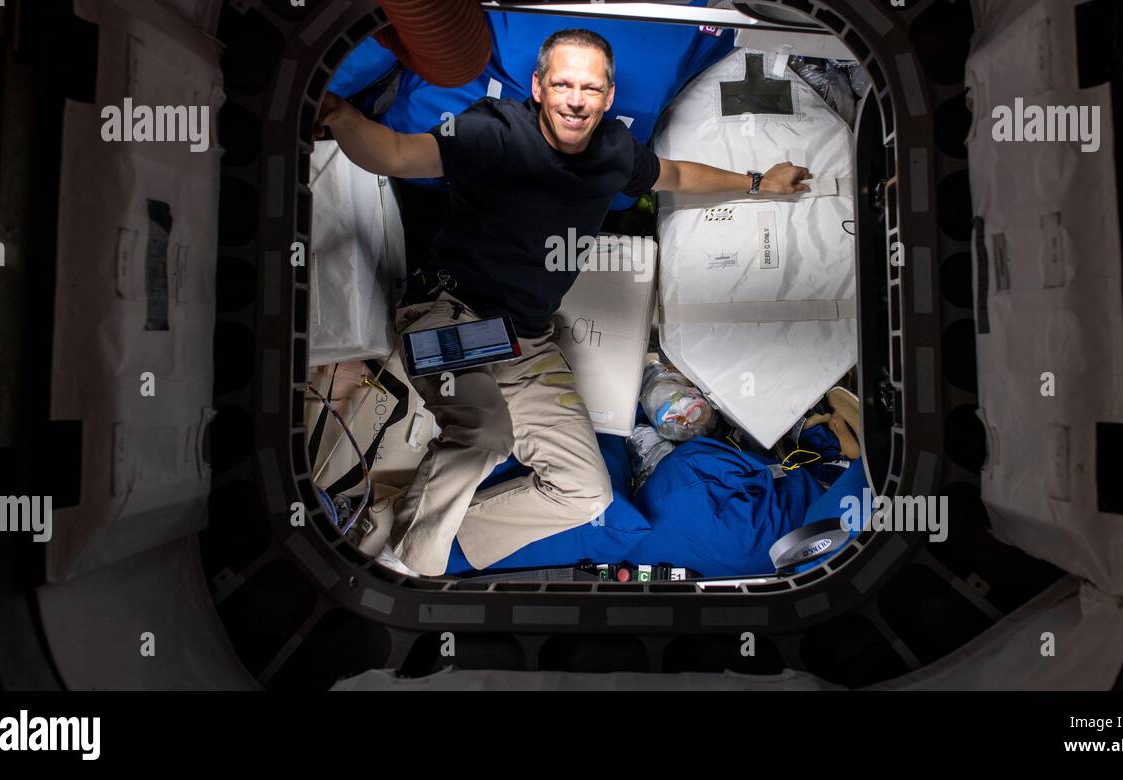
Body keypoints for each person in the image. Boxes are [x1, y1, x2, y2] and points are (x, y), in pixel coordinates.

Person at [316, 28, 813, 576]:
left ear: (608, 94)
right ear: (538, 86)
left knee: (584, 493)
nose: (576, 100)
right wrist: (341, 115)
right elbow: (395, 154)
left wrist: (756, 183)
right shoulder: (493, 130)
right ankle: (404, 565)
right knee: (484, 435)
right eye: (563, 84)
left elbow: (674, 174)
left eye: (591, 88)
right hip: (448, 313)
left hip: (525, 340)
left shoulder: (614, 151)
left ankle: (409, 526)